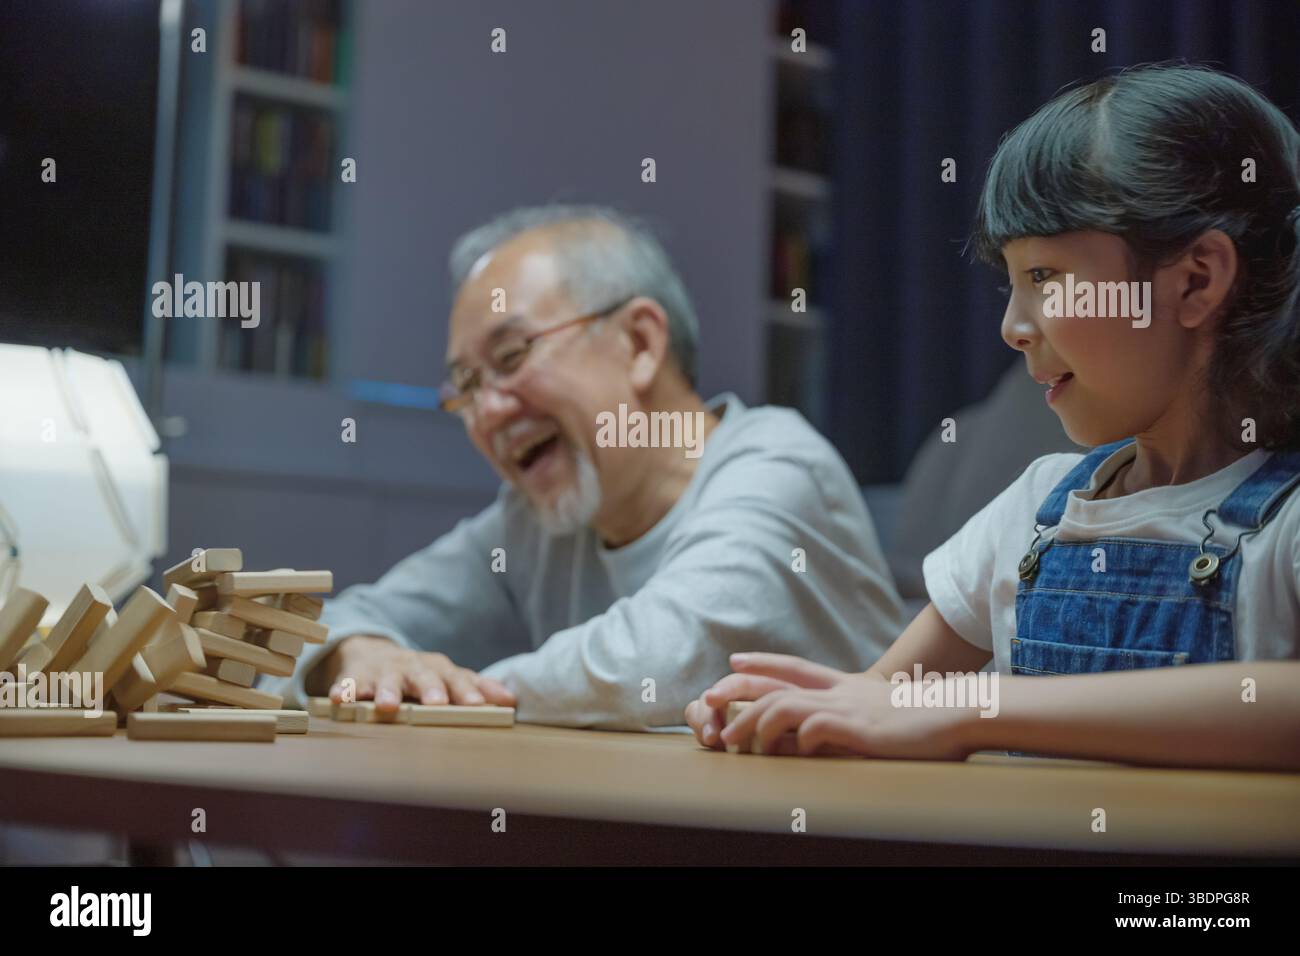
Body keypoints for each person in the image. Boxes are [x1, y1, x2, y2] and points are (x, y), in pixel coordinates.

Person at [687, 65, 1300, 770]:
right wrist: (791, 708)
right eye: (1012, 284)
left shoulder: (1284, 523)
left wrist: (972, 708)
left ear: (1196, 280)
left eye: (1044, 277)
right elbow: (888, 697)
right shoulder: (1035, 508)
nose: (1013, 326)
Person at [268, 205, 906, 730]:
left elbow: (653, 662)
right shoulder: (533, 525)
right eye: (465, 386)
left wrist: (441, 693)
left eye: (512, 355)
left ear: (640, 344)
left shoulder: (778, 465)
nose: (486, 411)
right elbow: (335, 620)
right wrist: (356, 653)